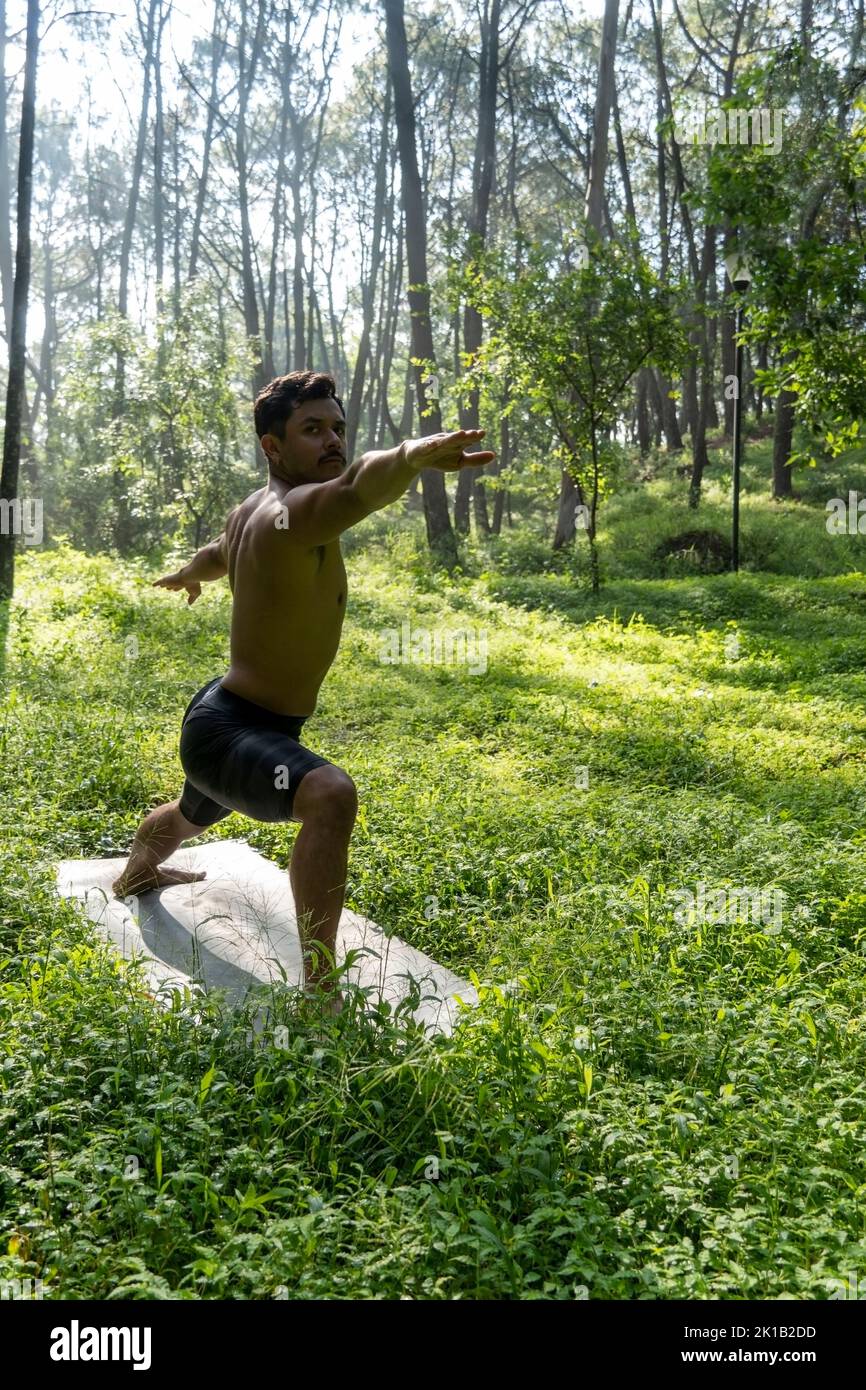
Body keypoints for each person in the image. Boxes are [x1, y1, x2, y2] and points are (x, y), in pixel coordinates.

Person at [112, 369, 495, 1014]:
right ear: (273, 446)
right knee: (328, 795)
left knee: (192, 814)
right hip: (233, 729)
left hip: (230, 722)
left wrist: (188, 572)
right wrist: (410, 456)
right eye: (312, 429)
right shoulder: (293, 512)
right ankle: (321, 992)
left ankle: (136, 874)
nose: (332, 441)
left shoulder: (253, 513)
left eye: (338, 428)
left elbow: (220, 550)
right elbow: (354, 489)